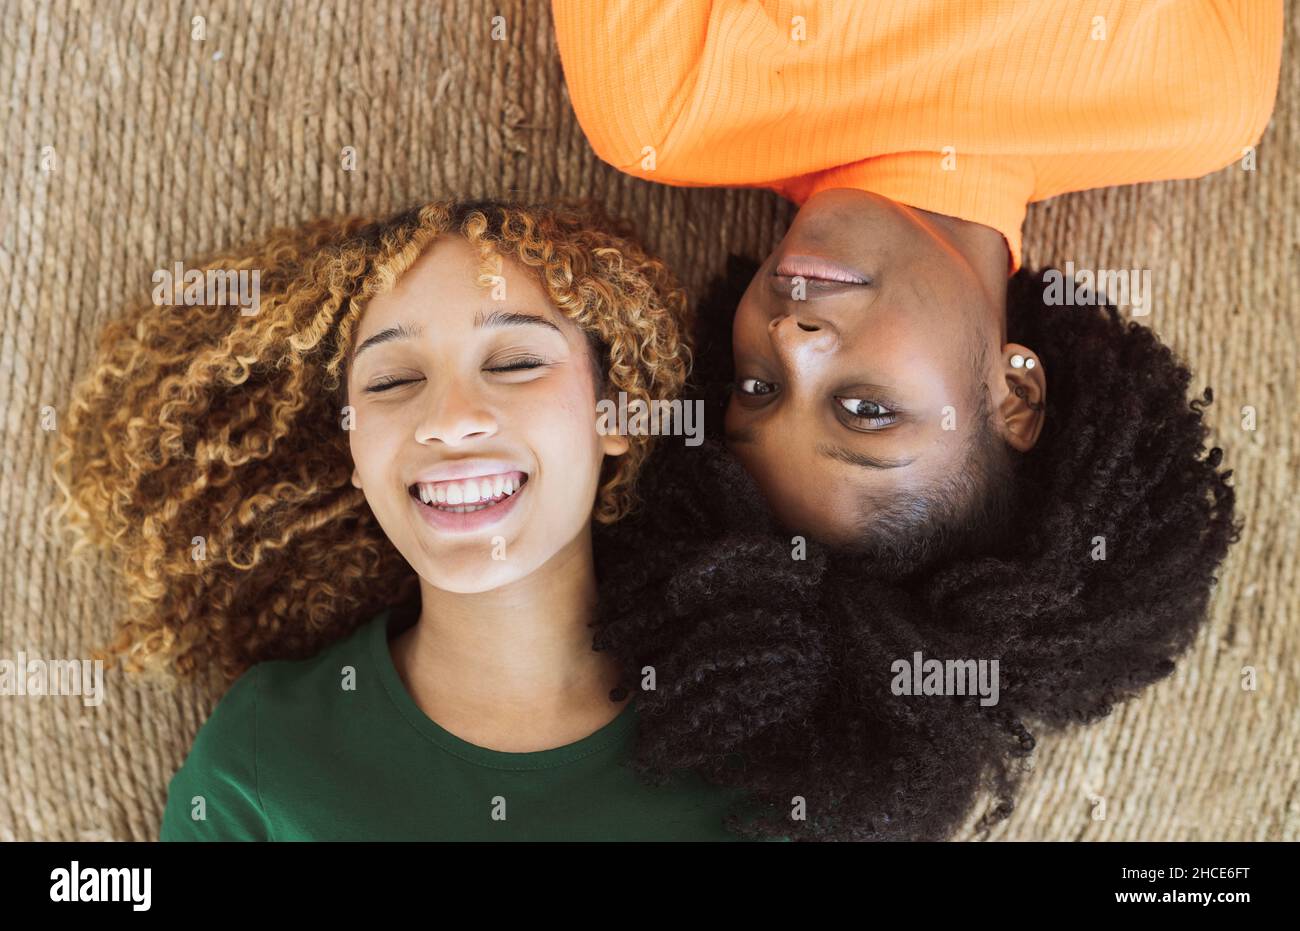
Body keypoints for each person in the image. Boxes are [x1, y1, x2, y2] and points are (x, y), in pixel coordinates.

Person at [555, 1, 1271, 839]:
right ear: (1016, 395)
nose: (793, 339)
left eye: (757, 389)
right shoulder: (1197, 93)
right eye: (866, 411)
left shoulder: (663, 94)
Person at [52, 199, 768, 840]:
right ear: (354, 450)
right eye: (393, 380)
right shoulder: (263, 756)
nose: (452, 420)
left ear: (616, 411)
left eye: (516, 361)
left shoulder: (762, 739)